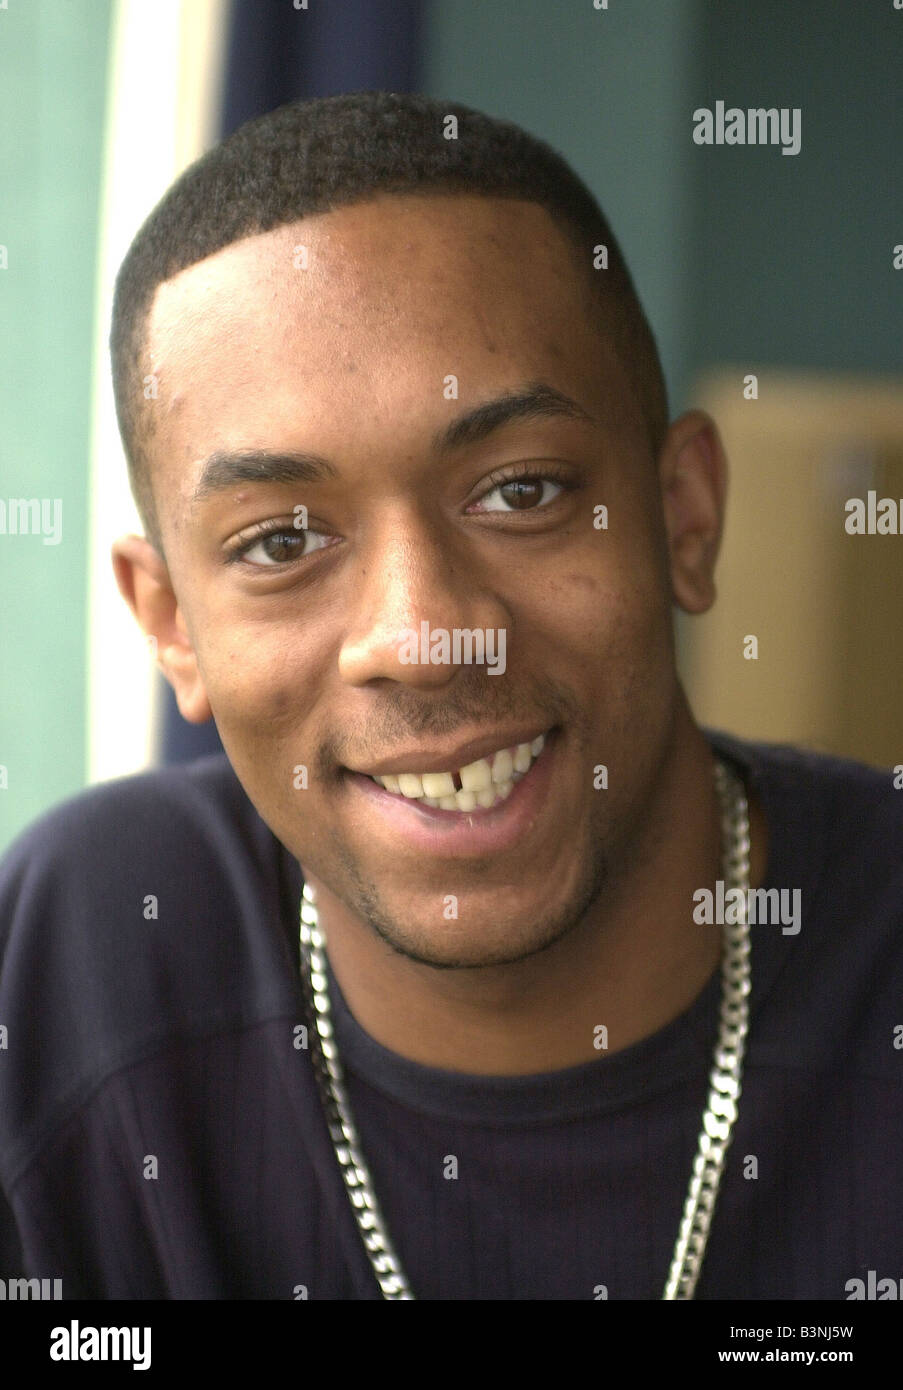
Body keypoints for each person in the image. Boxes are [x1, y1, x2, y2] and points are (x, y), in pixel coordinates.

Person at [0, 91, 900, 1301]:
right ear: (171, 624)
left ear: (683, 516)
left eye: (521, 491)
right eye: (280, 543)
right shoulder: (85, 947)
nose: (423, 640)